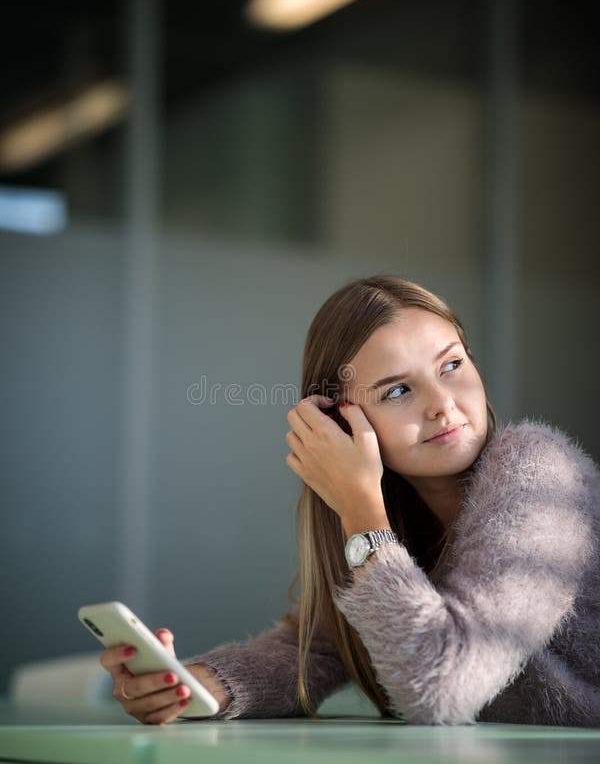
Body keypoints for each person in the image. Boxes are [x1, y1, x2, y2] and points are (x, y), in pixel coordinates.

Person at [101, 274, 600, 727]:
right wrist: (193, 686)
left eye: (452, 364)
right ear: (343, 427)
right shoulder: (403, 522)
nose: (442, 404)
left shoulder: (537, 471)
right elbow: (320, 650)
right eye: (399, 390)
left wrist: (360, 505)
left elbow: (440, 688)